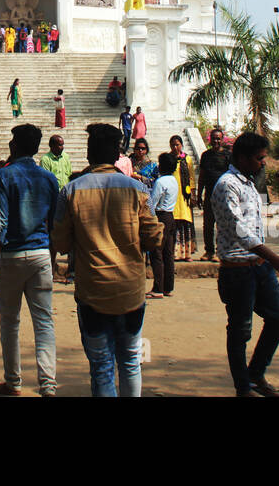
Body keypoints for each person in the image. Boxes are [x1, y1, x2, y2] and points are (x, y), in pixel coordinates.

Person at [52, 122, 163, 397]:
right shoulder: (137, 189)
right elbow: (154, 238)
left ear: (89, 153)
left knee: (101, 366)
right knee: (130, 362)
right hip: (130, 290)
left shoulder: (71, 191)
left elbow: (61, 243)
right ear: (117, 154)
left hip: (93, 291)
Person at [210, 131, 279, 397]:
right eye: (259, 158)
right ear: (243, 158)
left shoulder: (248, 184)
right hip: (237, 270)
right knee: (240, 330)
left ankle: (255, 373)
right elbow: (238, 228)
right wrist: (273, 256)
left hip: (259, 267)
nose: (263, 163)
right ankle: (242, 387)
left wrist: (266, 259)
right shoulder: (227, 185)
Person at [0, 123, 59, 397]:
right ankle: (48, 384)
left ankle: (13, 382)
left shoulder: (3, 175)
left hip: (13, 255)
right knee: (44, 321)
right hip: (40, 253)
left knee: (9, 321)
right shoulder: (49, 179)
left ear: (15, 145)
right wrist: (52, 257)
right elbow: (54, 224)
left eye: (12, 141)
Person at [148, 152, 179, 299]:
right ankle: (168, 287)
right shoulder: (173, 180)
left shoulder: (161, 182)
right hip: (171, 215)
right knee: (168, 253)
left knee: (157, 252)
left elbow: (152, 202)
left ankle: (158, 287)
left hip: (161, 216)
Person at [197, 127, 230, 255]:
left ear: (222, 140)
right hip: (209, 194)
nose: (216, 141)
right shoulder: (205, 155)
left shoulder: (228, 155)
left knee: (222, 225)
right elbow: (202, 176)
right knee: (208, 225)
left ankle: (219, 251)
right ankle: (208, 251)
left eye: (218, 139)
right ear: (210, 140)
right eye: (214, 138)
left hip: (223, 195)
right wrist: (199, 194)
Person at [168, 135, 195, 260]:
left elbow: (191, 178)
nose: (175, 147)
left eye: (177, 144)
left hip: (184, 195)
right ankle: (175, 252)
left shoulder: (187, 159)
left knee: (185, 222)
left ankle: (186, 253)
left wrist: (193, 194)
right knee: (174, 221)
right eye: (173, 145)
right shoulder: (168, 159)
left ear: (181, 145)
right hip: (172, 195)